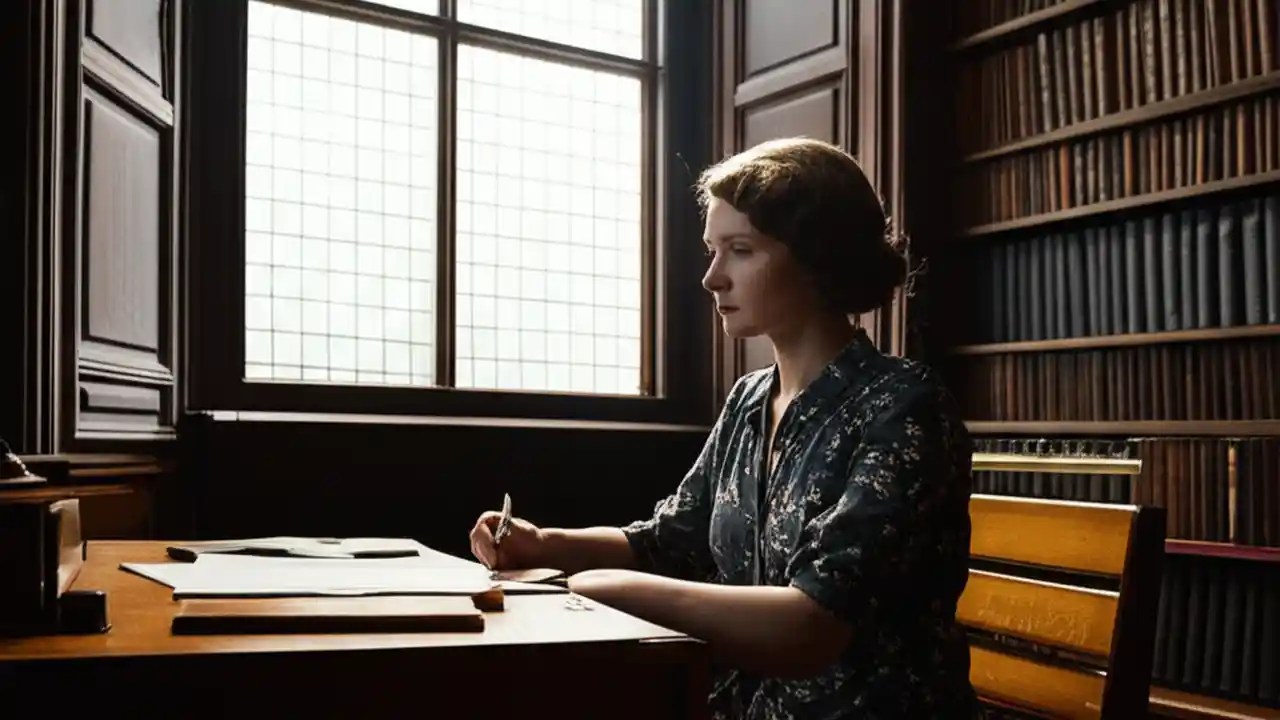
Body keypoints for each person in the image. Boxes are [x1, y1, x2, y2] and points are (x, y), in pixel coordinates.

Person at [469, 137, 977, 719]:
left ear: (818, 257)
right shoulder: (749, 400)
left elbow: (813, 626)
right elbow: (669, 543)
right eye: (712, 250)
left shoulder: (904, 406)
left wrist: (595, 590)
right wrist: (546, 545)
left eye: (740, 250)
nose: (712, 278)